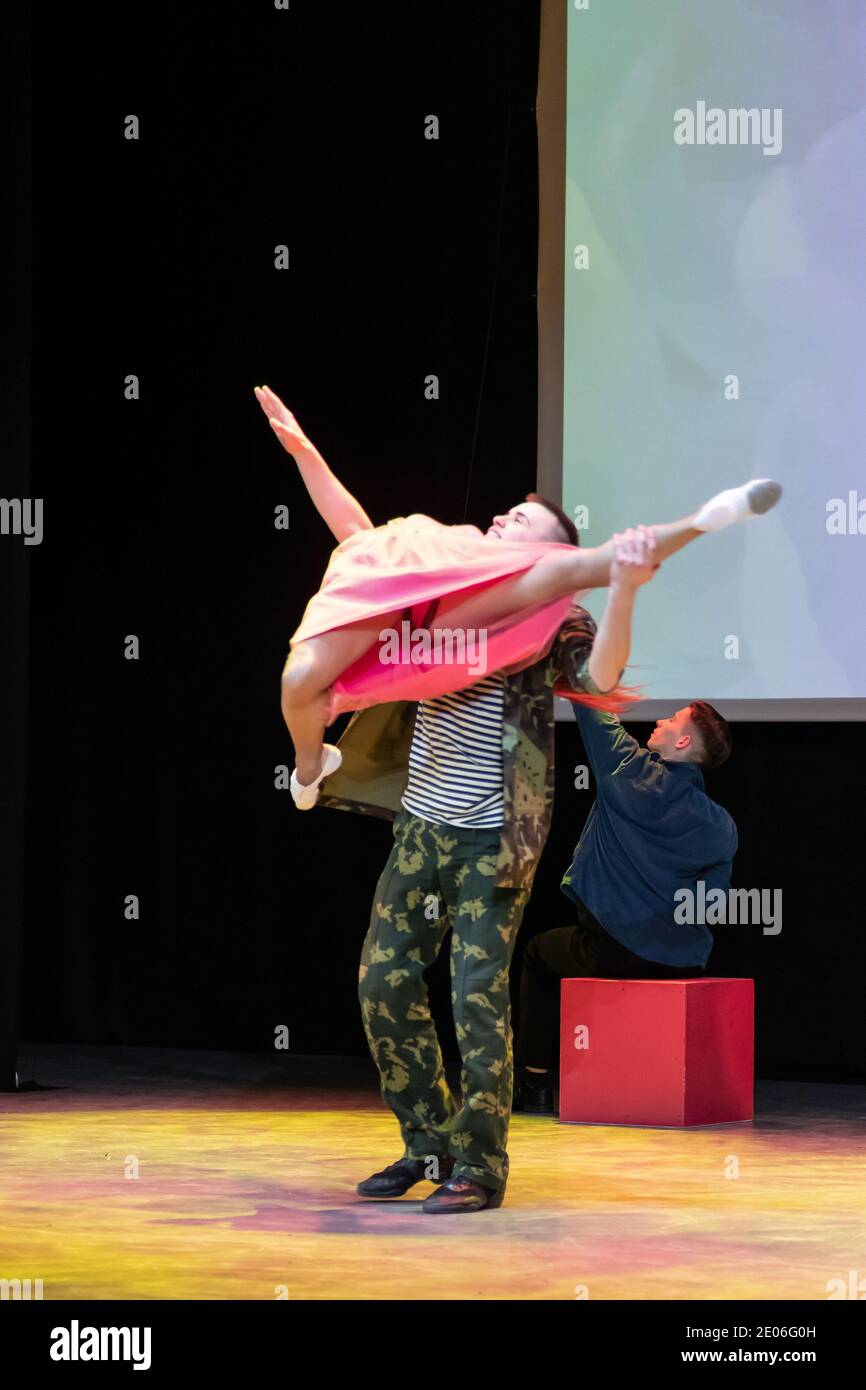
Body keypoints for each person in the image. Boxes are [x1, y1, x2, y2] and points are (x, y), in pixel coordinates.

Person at [254, 384, 781, 811]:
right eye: (510, 512)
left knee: (587, 566)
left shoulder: (539, 602)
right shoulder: (448, 540)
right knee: (299, 681)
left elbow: (600, 677)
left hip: (484, 807)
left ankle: (702, 520)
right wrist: (305, 453)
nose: (504, 516)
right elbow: (357, 535)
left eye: (521, 519)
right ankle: (310, 764)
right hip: (393, 646)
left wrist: (623, 588)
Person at [513, 540, 737, 1116]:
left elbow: (591, 701)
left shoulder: (628, 772)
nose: (659, 722)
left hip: (617, 949)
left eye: (671, 720)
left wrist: (571, 620)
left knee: (538, 955)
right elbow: (711, 904)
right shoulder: (722, 827)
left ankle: (534, 1083)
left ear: (683, 742)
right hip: (685, 958)